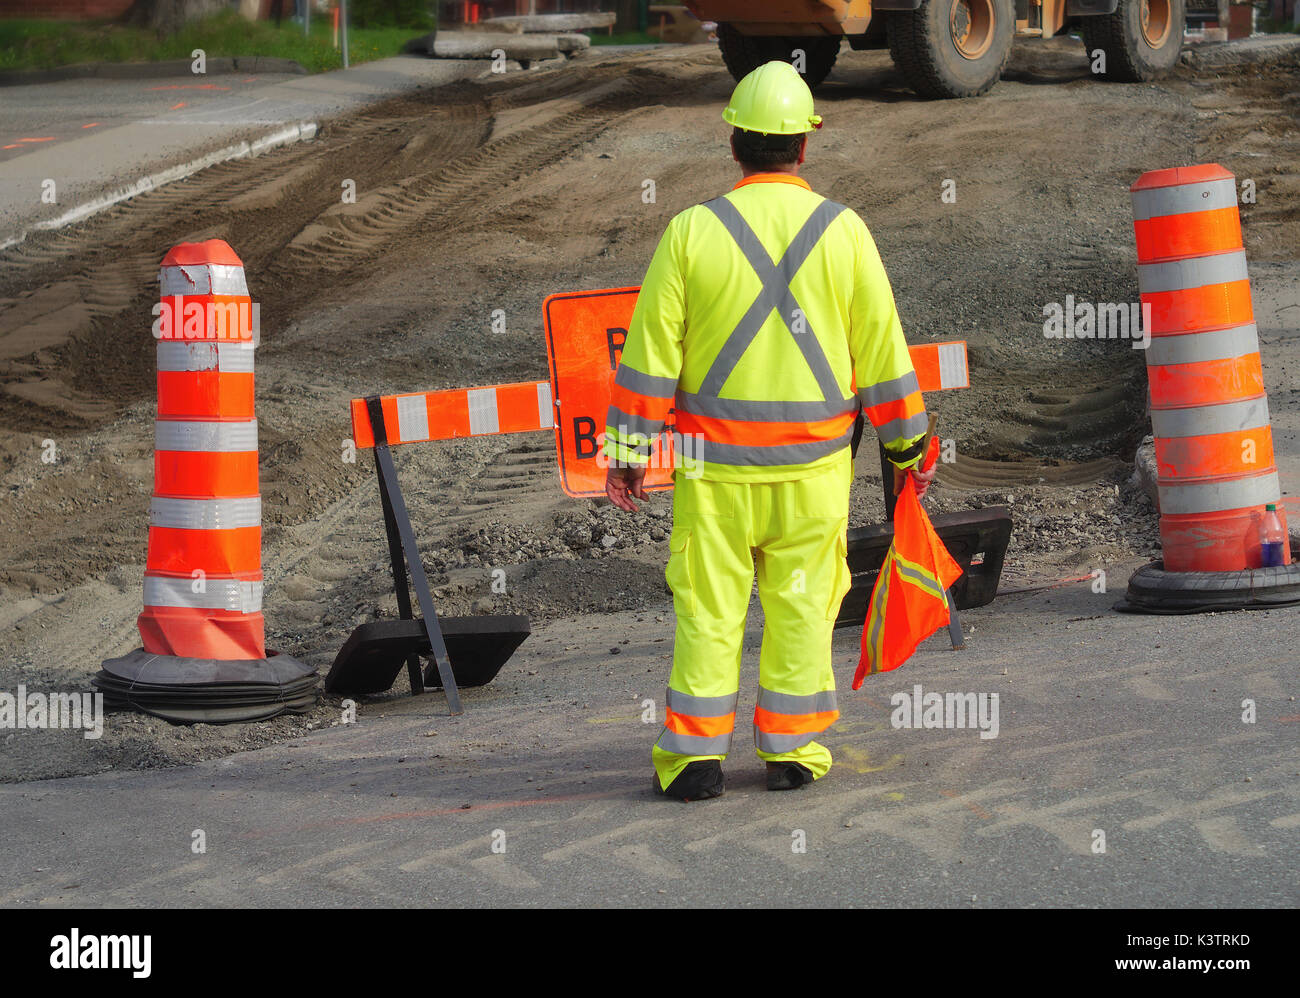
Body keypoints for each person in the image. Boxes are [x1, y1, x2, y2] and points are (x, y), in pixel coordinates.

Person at [604, 61, 935, 801]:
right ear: (804, 147)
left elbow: (650, 357)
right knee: (802, 613)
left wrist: (626, 452)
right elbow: (884, 352)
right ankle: (794, 751)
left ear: (734, 144)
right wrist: (908, 446)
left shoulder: (690, 232)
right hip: (812, 478)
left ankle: (694, 761)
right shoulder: (846, 233)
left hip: (713, 476)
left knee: (709, 612)